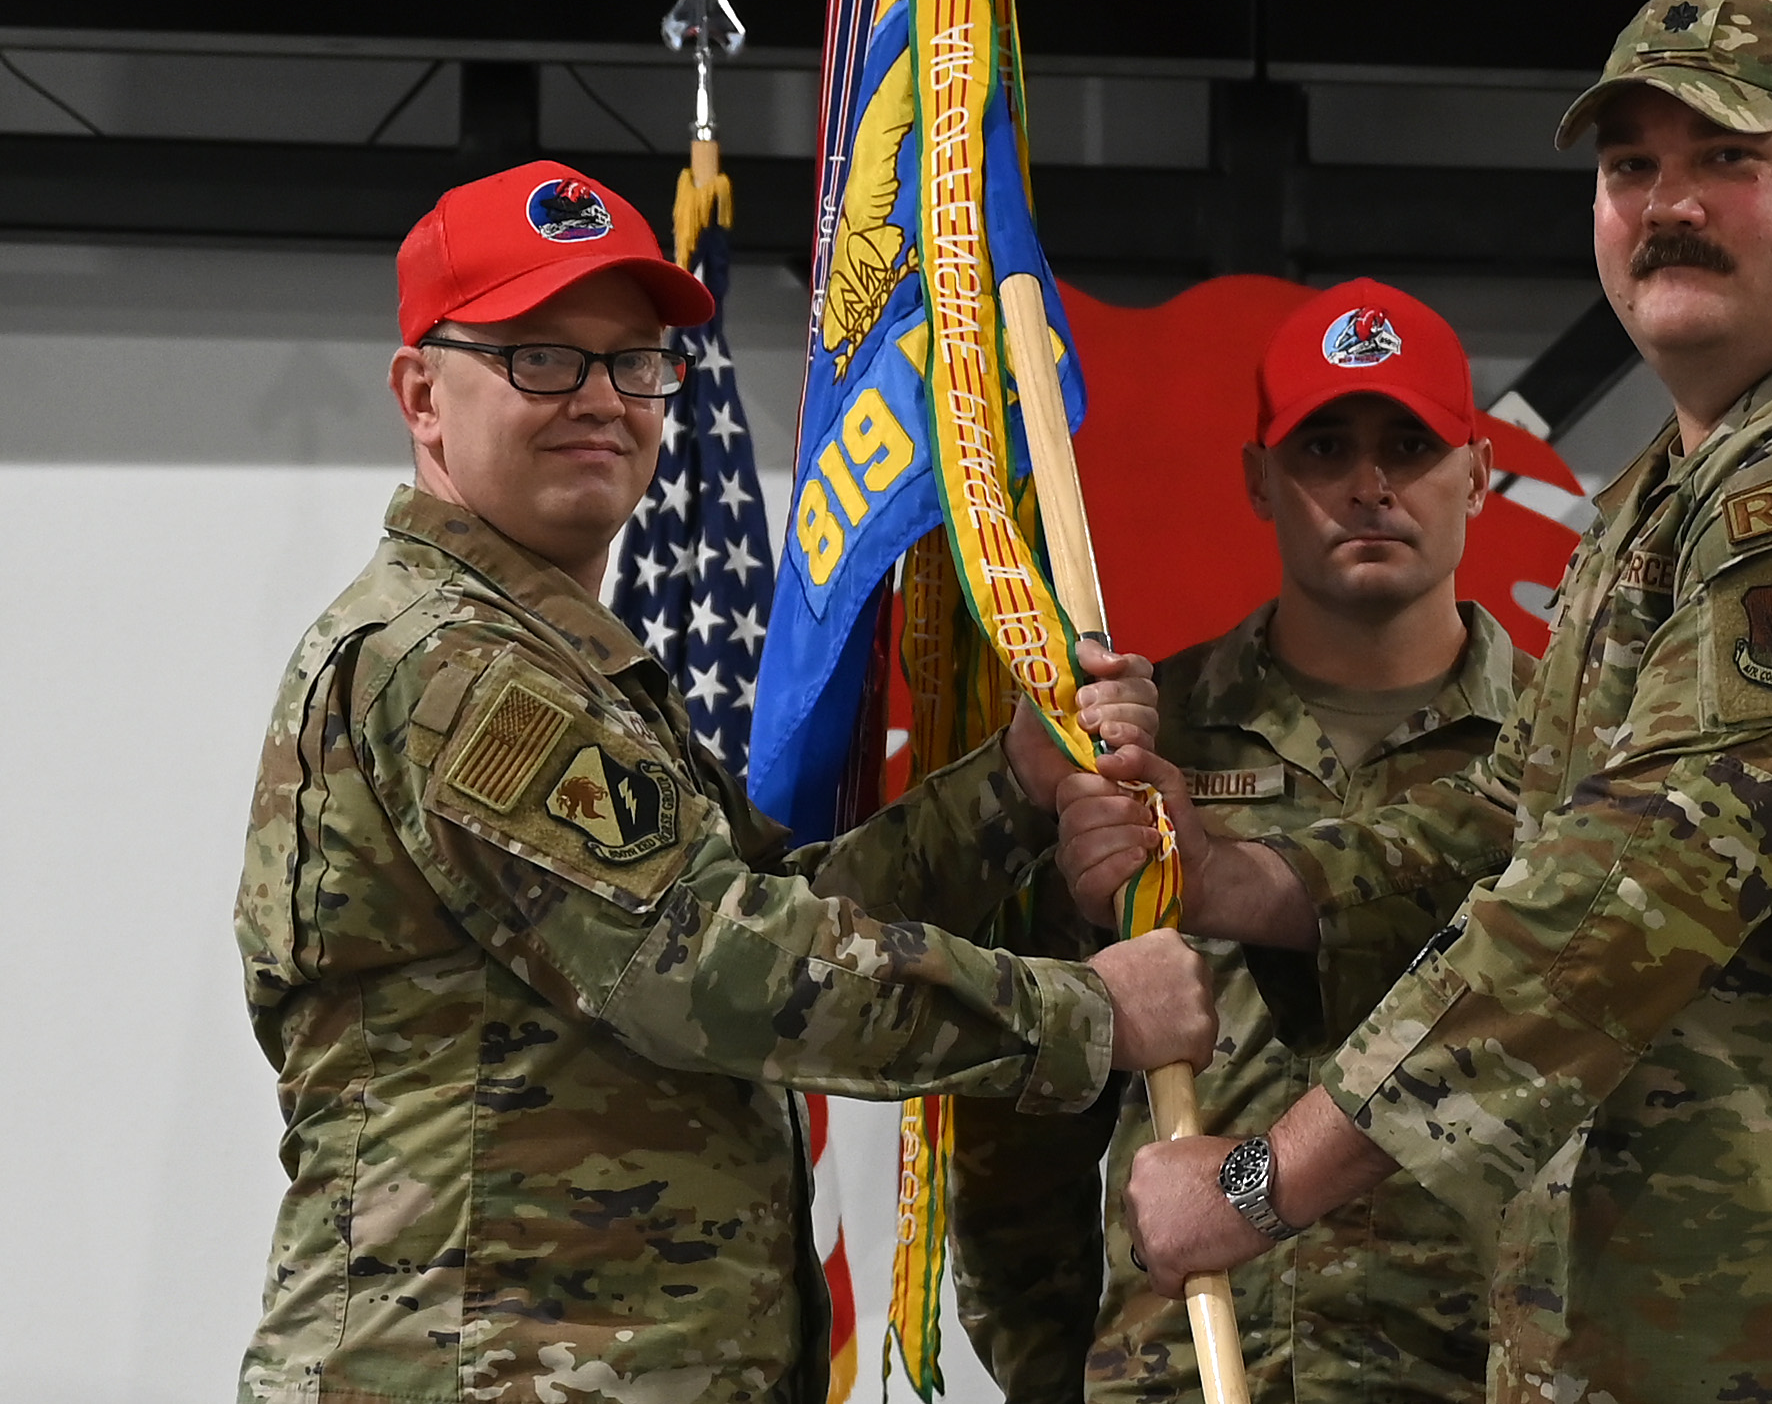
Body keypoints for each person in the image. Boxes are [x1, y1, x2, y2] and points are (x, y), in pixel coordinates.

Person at [1059, 0, 1772, 1402]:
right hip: (1725, 1330)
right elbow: (1527, 824)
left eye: (1728, 158)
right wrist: (1246, 875)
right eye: (1630, 165)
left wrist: (1267, 1180)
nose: (1669, 203)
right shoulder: (1684, 477)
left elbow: (1627, 889)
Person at [232, 161, 1215, 1404]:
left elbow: (779, 901)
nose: (600, 398)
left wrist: (1015, 783)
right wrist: (1083, 1017)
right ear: (422, 392)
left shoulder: (557, 661)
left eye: (634, 360)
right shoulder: (449, 662)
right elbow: (713, 964)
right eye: (541, 356)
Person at [951, 282, 1537, 1404]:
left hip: (1482, 1368)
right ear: (1258, 479)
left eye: (1409, 444)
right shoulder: (1128, 750)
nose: (1369, 484)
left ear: (1477, 469)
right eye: (1324, 445)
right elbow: (1024, 1118)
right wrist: (1060, 1372)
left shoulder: (1574, 754)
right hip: (1190, 1361)